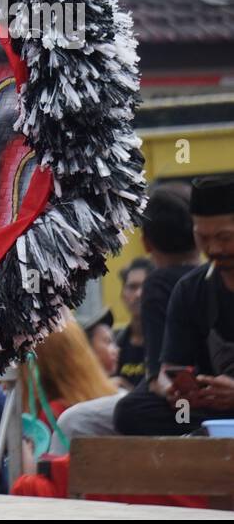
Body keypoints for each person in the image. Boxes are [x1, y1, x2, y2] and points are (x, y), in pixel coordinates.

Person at [55, 185, 200, 448]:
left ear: (145, 242)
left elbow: (160, 381)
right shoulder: (211, 276)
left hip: (188, 409)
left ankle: (57, 487)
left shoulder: (159, 284)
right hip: (206, 405)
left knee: (78, 420)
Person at [114, 175, 234, 435]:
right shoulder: (189, 290)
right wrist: (175, 388)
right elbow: (169, 367)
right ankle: (205, 432)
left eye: (224, 238)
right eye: (203, 237)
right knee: (131, 411)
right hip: (211, 409)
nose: (214, 248)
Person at [113, 257, 151, 389]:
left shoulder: (167, 341)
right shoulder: (114, 344)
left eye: (145, 286)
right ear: (122, 295)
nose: (139, 293)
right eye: (132, 287)